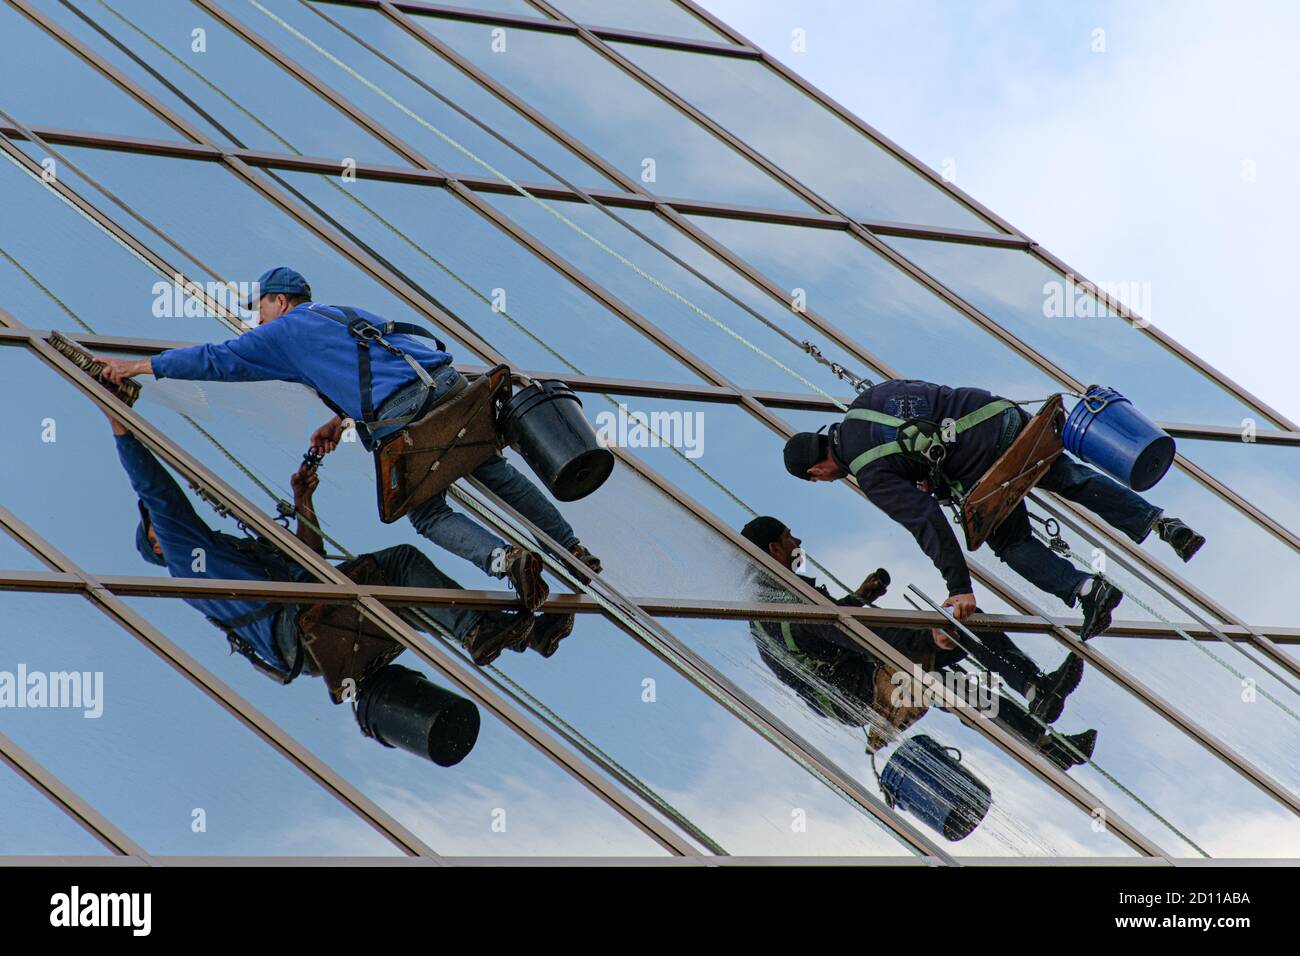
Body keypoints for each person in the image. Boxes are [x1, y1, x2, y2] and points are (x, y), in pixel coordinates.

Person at [97, 266, 601, 617]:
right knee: (496, 474)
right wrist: (338, 421)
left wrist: (137, 366)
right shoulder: (336, 314)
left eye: (260, 308)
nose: (257, 320)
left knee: (425, 514)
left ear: (279, 301)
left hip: (405, 420)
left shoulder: (284, 330)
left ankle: (505, 560)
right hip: (447, 388)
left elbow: (217, 359)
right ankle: (572, 547)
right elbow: (367, 364)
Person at [781, 379, 1205, 641]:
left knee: (1011, 541)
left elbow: (926, 522)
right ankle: (1162, 523)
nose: (823, 480)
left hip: (984, 468)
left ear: (817, 468)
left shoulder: (867, 471)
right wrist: (928, 469)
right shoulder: (871, 397)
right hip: (1003, 417)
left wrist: (958, 586)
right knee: (1067, 477)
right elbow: (928, 415)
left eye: (817, 478)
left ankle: (1086, 590)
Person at [740, 516, 1097, 770]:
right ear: (774, 549)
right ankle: (1038, 697)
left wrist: (856, 598)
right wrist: (926, 639)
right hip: (859, 690)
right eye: (790, 537)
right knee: (954, 645)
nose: (798, 543)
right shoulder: (787, 603)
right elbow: (856, 635)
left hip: (849, 692)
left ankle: (1047, 735)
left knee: (956, 683)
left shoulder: (768, 604)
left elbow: (829, 633)